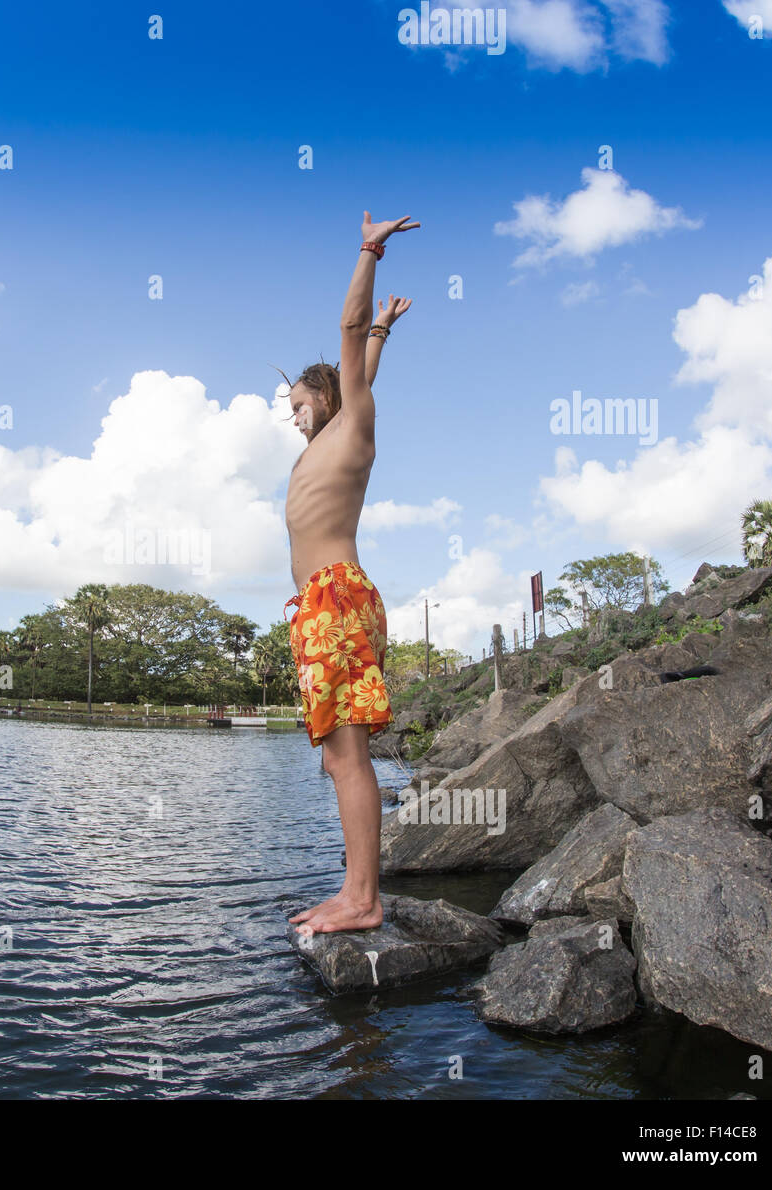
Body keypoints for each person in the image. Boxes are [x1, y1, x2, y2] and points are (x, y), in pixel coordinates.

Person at [281, 211, 418, 935]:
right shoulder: (333, 437)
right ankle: (354, 888)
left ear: (327, 398)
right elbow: (360, 356)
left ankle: (364, 900)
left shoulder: (354, 418)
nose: (294, 417)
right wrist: (384, 336)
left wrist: (370, 252)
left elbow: (347, 333)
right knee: (340, 760)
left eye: (299, 405)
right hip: (317, 602)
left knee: (349, 756)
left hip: (337, 594)